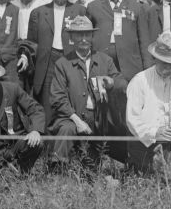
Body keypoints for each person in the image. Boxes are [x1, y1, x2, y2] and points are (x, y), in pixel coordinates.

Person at [47, 16, 125, 172]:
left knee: (96, 166)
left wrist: (111, 82)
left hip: (99, 119)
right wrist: (77, 121)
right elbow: (58, 98)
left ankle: (119, 168)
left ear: (92, 36)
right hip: (71, 116)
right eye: (78, 35)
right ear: (71, 38)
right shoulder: (63, 63)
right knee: (66, 129)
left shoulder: (105, 60)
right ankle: (56, 172)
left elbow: (123, 84)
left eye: (87, 34)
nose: (83, 39)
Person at [21, 0, 88, 115]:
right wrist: (25, 55)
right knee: (47, 103)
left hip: (71, 60)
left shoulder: (80, 11)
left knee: (72, 100)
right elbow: (31, 42)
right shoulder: (38, 13)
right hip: (47, 63)